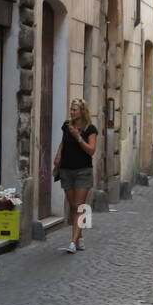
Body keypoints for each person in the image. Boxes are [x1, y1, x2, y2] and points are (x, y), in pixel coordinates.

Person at [53, 99, 98, 252]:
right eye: (71, 109)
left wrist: (78, 137)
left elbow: (91, 150)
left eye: (74, 110)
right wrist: (58, 154)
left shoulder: (90, 129)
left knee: (80, 206)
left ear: (82, 111)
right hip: (66, 169)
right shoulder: (67, 125)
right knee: (73, 206)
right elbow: (63, 142)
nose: (71, 112)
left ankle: (72, 242)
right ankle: (79, 237)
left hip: (83, 171)